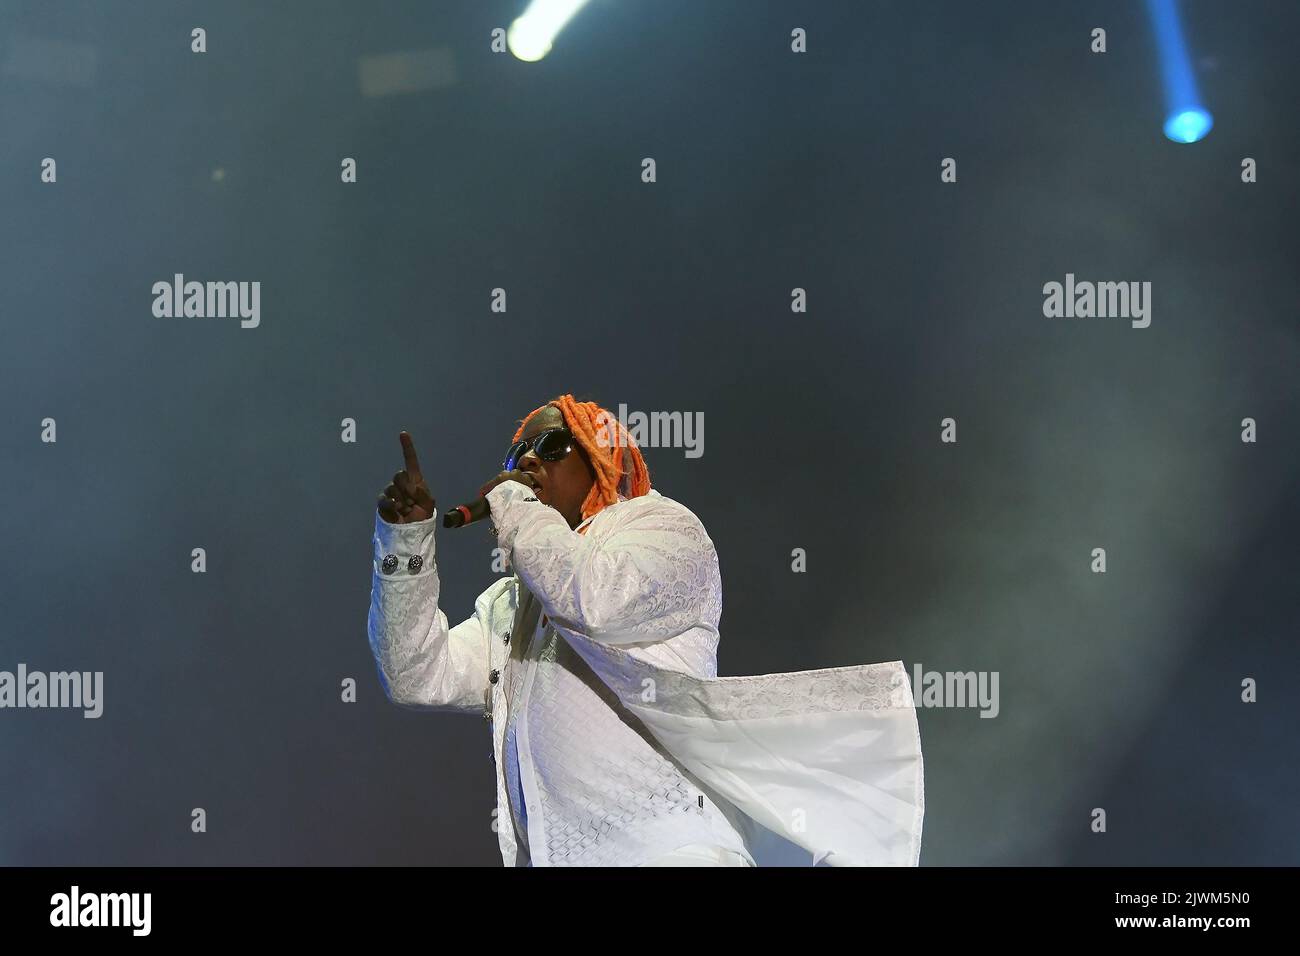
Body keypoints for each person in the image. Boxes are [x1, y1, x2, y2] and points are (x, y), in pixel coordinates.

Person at [367, 393, 924, 866]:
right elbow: (417, 673)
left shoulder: (664, 530)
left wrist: (513, 499)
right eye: (516, 455)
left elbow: (593, 600)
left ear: (600, 457)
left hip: (671, 848)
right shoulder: (516, 603)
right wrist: (406, 544)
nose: (527, 462)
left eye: (549, 448)